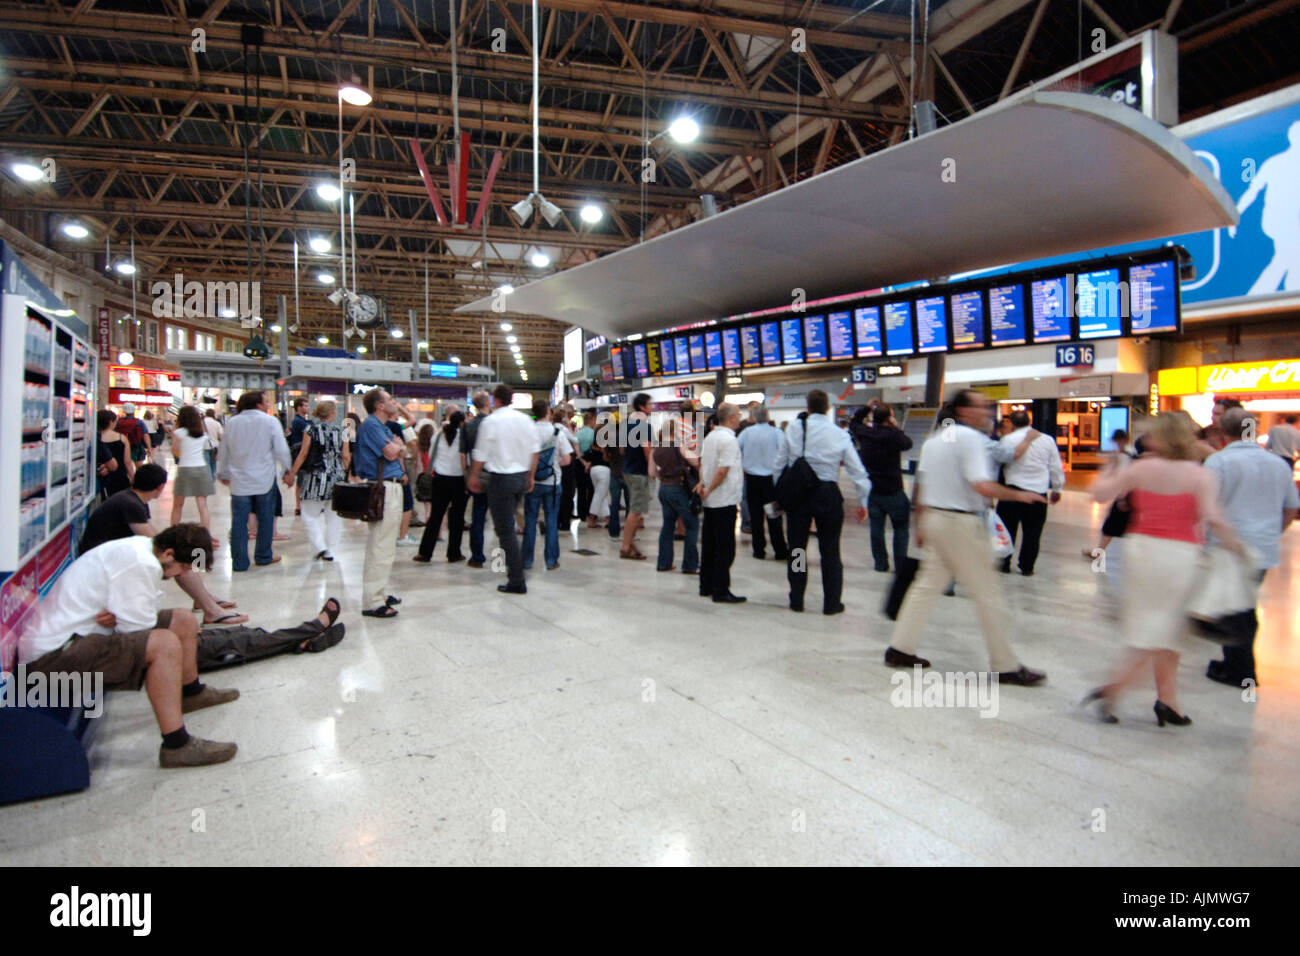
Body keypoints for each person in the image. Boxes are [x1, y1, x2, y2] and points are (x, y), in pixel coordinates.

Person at [18, 524, 239, 768]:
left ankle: (191, 693)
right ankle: (176, 745)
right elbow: (137, 629)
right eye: (183, 567)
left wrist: (121, 615)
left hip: (80, 638)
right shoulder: (141, 563)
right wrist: (123, 616)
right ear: (168, 554)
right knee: (164, 644)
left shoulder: (143, 549)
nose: (180, 574)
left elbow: (130, 617)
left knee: (184, 621)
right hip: (52, 660)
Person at [1085, 413, 1247, 726]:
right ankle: (1113, 690)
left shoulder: (1141, 468)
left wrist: (1110, 468)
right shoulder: (1199, 474)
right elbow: (1213, 517)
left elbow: (1099, 494)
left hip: (1141, 551)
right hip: (1180, 555)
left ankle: (1168, 701)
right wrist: (1235, 546)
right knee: (1164, 630)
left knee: (1162, 628)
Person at [884, 389, 1049, 685]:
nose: (986, 412)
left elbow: (920, 486)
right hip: (959, 524)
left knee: (926, 587)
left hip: (935, 519)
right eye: (981, 407)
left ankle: (900, 648)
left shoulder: (934, 441)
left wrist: (920, 524)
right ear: (963, 412)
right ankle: (1005, 664)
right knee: (988, 593)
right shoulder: (971, 439)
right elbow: (982, 485)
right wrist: (1018, 494)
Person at [78, 464, 248, 626]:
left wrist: (192, 540)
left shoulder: (133, 500)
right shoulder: (130, 504)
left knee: (180, 558)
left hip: (107, 558)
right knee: (178, 563)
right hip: (103, 566)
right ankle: (211, 609)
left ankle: (205, 599)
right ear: (160, 487)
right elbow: (156, 543)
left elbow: (158, 536)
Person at [1203, 408, 1299, 688]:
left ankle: (1241, 670)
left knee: (1234, 607)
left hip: (1227, 545)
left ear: (1223, 433)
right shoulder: (1277, 464)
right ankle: (1236, 663)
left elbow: (1207, 507)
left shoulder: (1218, 462)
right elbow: (1291, 507)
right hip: (1263, 547)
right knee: (1244, 603)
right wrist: (1273, 533)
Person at [775, 390, 872, 614]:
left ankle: (797, 598)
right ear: (828, 408)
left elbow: (779, 464)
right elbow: (857, 471)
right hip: (828, 494)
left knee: (797, 549)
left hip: (799, 494)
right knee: (830, 551)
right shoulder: (839, 434)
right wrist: (863, 501)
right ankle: (832, 602)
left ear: (807, 408)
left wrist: (782, 492)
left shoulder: (794, 428)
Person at [467, 384, 539, 595]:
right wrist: (531, 476)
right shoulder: (525, 420)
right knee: (512, 525)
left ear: (495, 400)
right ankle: (516, 572)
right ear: (512, 400)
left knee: (505, 530)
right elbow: (535, 451)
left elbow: (480, 453)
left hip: (500, 478)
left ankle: (516, 580)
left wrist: (473, 475)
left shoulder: (491, 421)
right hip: (521, 477)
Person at [216, 391, 292, 572]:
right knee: (265, 519)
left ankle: (239, 562)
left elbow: (224, 451)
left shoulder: (232, 423)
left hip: (239, 480)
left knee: (239, 522)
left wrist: (223, 473)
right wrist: (287, 470)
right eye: (266, 401)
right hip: (264, 478)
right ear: (258, 404)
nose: (268, 404)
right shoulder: (270, 421)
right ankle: (263, 556)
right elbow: (281, 448)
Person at [354, 389, 408, 617]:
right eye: (389, 400)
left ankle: (379, 591)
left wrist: (398, 448)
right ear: (379, 405)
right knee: (380, 545)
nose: (394, 403)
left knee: (385, 544)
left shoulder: (382, 426)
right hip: (383, 488)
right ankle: (372, 600)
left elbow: (401, 449)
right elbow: (391, 451)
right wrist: (397, 448)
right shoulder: (373, 426)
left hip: (390, 486)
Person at [996, 409, 1064, 577]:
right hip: (1038, 493)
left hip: (1011, 492)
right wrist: (1057, 488)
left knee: (1007, 529)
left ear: (1011, 423)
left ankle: (1004, 563)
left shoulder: (1006, 439)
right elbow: (1055, 467)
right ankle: (1027, 566)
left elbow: (1000, 463)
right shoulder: (1047, 440)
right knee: (1033, 533)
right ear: (1030, 420)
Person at [197, 599, 345, 670]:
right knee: (243, 642)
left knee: (246, 632)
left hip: (187, 635)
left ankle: (300, 642)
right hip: (185, 650)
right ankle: (311, 629)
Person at [695, 402, 746, 603]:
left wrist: (702, 484)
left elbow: (703, 464)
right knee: (725, 548)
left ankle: (705, 585)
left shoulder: (710, 437)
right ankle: (721, 590)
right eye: (739, 414)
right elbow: (722, 470)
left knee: (709, 545)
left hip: (710, 501)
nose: (740, 417)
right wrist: (709, 488)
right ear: (731, 418)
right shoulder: (729, 440)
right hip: (723, 500)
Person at [853, 404, 913, 573]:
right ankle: (900, 564)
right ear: (889, 418)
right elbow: (908, 443)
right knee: (901, 528)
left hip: (873, 489)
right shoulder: (894, 435)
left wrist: (866, 407)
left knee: (876, 528)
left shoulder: (865, 433)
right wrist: (896, 427)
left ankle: (880, 563)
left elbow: (854, 423)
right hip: (893, 489)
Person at [287, 400, 349, 562]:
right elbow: (346, 456)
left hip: (316, 477)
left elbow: (303, 453)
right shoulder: (342, 431)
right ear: (333, 414)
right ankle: (331, 551)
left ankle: (319, 546)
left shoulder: (310, 429)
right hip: (336, 477)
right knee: (334, 517)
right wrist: (346, 474)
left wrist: (293, 472)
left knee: (309, 514)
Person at [522, 401, 573, 572]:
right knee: (551, 521)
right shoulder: (557, 432)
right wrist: (553, 464)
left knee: (530, 521)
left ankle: (527, 560)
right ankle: (551, 560)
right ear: (548, 413)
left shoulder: (528, 432)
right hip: (552, 483)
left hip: (532, 482)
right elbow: (567, 460)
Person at [736, 405, 788, 561]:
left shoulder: (746, 433)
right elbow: (784, 453)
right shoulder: (777, 433)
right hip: (771, 481)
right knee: (774, 516)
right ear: (767, 416)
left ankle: (758, 550)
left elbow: (737, 451)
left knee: (756, 517)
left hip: (752, 481)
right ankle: (780, 550)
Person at [415, 410, 468, 563]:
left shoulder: (439, 434)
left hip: (440, 479)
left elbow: (432, 455)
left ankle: (425, 553)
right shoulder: (463, 437)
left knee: (435, 516)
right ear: (462, 423)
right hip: (458, 480)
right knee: (457, 518)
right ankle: (454, 553)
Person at [650, 415, 700, 574]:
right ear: (675, 431)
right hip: (679, 489)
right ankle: (690, 565)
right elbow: (696, 462)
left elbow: (651, 472)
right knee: (692, 525)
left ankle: (664, 563)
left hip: (663, 489)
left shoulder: (655, 449)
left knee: (667, 526)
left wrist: (662, 477)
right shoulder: (678, 446)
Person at [1084, 429, 1136, 559]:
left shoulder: (1125, 456)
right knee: (1114, 525)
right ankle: (1098, 551)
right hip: (1128, 495)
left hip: (1126, 496)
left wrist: (1123, 498)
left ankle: (1098, 552)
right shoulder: (1130, 453)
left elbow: (1124, 477)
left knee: (1112, 525)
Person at [170, 405, 216, 534]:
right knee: (202, 505)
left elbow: (175, 451)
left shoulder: (179, 433)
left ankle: (173, 533)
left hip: (185, 468)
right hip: (201, 468)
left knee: (178, 505)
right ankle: (206, 534)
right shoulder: (202, 434)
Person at [460, 391, 493, 568]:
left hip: (476, 473)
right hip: (494, 473)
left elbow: (462, 455)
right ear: (487, 403)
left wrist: (467, 475)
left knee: (477, 516)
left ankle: (477, 556)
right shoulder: (494, 424)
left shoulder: (468, 426)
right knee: (502, 519)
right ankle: (502, 560)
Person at [620, 394, 653, 560]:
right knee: (635, 511)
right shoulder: (644, 426)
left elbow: (621, 449)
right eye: (650, 404)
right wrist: (653, 470)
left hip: (627, 470)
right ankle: (626, 546)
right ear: (642, 407)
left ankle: (630, 544)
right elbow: (647, 449)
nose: (652, 407)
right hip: (639, 472)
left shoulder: (625, 425)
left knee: (634, 510)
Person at [97, 408, 133, 498]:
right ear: (111, 422)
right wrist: (132, 477)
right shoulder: (121, 438)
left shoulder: (96, 439)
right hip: (120, 477)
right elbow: (127, 462)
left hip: (101, 478)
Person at [286, 397, 310, 515]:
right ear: (299, 407)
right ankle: (299, 506)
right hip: (299, 453)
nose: (307, 408)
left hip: (299, 452)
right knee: (301, 480)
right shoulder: (299, 422)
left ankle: (301, 505)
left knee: (303, 480)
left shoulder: (301, 421)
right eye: (305, 405)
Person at [576, 411, 597, 523]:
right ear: (592, 420)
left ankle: (581, 513)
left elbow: (576, 450)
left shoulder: (578, 433)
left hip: (579, 463)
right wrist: (589, 463)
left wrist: (582, 461)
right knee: (591, 488)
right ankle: (590, 512)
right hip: (591, 463)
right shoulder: (593, 433)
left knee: (581, 489)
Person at [202, 408, 224, 479]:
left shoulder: (201, 422)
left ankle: (208, 479)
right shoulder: (217, 423)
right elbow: (221, 435)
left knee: (206, 463)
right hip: (214, 446)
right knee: (213, 463)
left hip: (204, 445)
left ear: (206, 414)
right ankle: (213, 478)